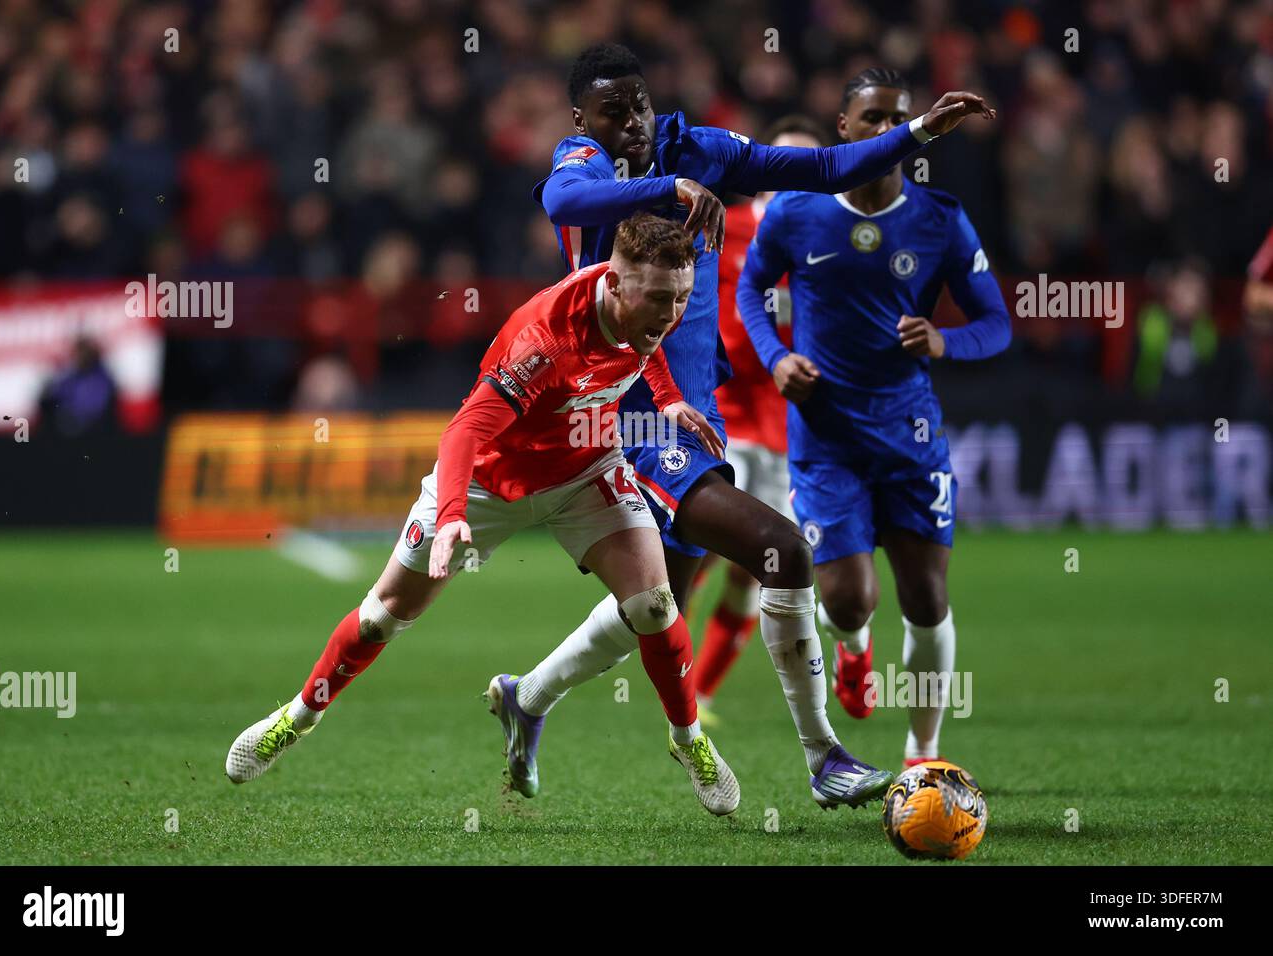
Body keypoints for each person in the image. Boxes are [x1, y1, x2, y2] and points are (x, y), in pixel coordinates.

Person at [507, 44, 995, 810]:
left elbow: (825, 170)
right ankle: (824, 755)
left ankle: (527, 696)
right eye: (610, 112)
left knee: (655, 602)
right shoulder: (585, 160)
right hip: (625, 415)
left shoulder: (699, 148)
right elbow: (564, 204)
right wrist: (672, 186)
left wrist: (919, 134)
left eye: (636, 105)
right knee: (783, 549)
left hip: (693, 413)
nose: (627, 122)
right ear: (581, 120)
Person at [226, 213, 742, 816]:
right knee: (381, 619)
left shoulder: (639, 305)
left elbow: (642, 342)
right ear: (618, 285)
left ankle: (688, 739)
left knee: (653, 604)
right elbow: (466, 428)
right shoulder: (546, 341)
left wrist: (670, 399)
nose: (671, 312)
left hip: (586, 470)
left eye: (681, 298)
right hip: (488, 484)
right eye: (659, 298)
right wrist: (449, 515)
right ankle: (298, 716)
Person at [738, 68, 1011, 767]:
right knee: (850, 599)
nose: (886, 130)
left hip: (910, 435)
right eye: (872, 119)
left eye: (898, 118)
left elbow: (997, 324)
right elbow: (750, 287)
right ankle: (854, 651)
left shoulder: (939, 218)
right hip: (825, 435)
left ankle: (924, 754)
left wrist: (946, 339)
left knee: (925, 598)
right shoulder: (797, 212)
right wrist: (775, 356)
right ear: (844, 130)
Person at [687, 115, 826, 726]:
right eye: (786, 163)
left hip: (788, 430)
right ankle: (664, 668)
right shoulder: (725, 227)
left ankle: (702, 695)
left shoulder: (825, 245)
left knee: (760, 572)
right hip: (725, 418)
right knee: (699, 548)